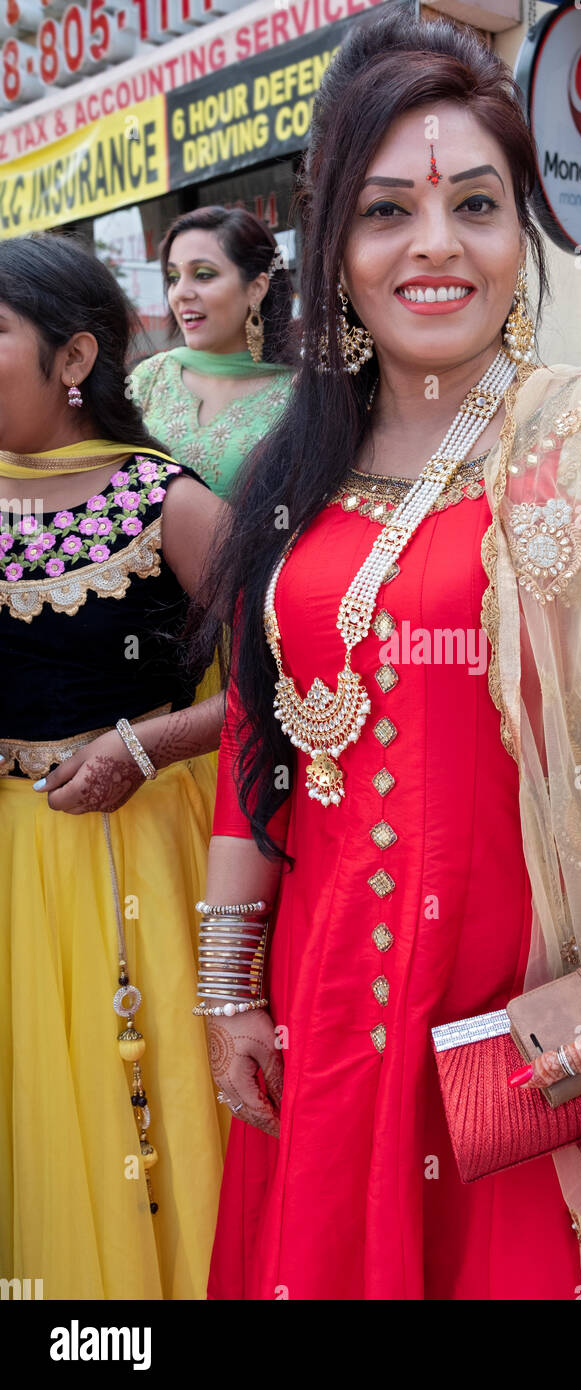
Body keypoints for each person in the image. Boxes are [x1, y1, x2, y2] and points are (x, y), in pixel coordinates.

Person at [195, 9, 581, 1301]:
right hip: (331, 997)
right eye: (388, 210)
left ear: (522, 234)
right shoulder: (288, 477)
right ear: (333, 248)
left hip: (523, 1005)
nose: (435, 247)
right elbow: (260, 741)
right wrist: (226, 988)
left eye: (474, 203)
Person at [0, 233, 230, 1299]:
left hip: (141, 858)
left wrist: (146, 744)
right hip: (13, 865)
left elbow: (290, 687)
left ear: (74, 358)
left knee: (148, 1113)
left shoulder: (167, 503)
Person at [129, 206, 295, 501]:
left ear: (256, 289)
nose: (180, 293)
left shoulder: (303, 394)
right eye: (173, 278)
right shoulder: (149, 379)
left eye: (203, 275)